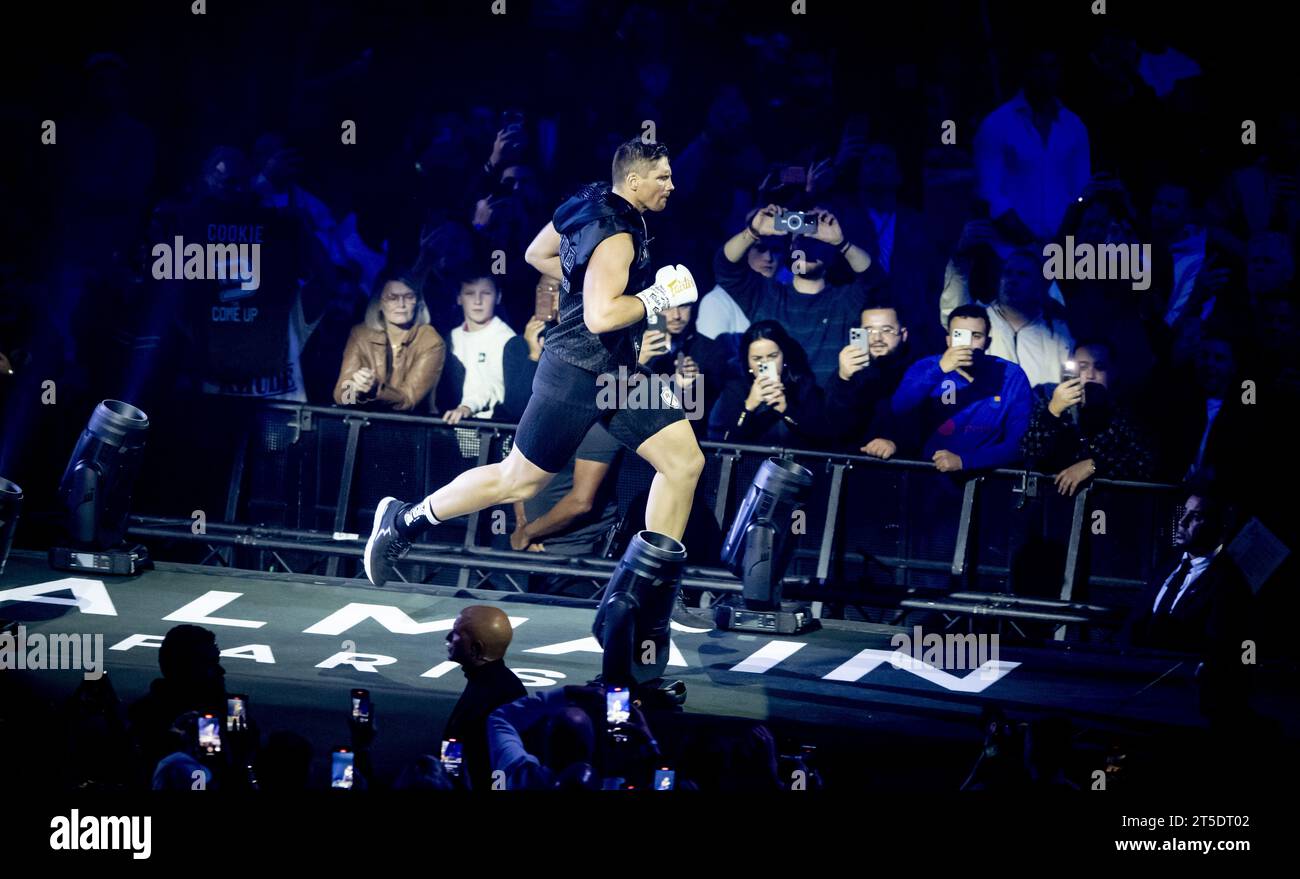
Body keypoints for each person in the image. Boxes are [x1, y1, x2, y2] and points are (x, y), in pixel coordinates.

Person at [363, 139, 703, 590]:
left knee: (683, 463)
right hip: (578, 373)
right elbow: (602, 317)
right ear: (635, 181)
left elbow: (535, 255)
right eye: (663, 177)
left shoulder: (588, 198)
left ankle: (650, 589)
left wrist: (585, 285)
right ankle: (404, 521)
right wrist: (660, 296)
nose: (672, 185)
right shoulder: (618, 236)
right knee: (519, 482)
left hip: (618, 373)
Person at [713, 204, 874, 385]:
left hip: (831, 407)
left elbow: (873, 278)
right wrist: (753, 232)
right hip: (780, 406)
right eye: (800, 242)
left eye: (816, 242)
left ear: (830, 252)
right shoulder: (767, 296)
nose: (806, 249)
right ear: (790, 250)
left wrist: (841, 243)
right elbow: (724, 267)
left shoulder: (844, 300)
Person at [891, 304, 1032, 472]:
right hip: (931, 474)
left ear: (988, 341)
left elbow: (1019, 443)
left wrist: (964, 461)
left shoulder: (1011, 375)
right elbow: (899, 407)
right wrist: (940, 369)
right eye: (960, 336)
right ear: (948, 340)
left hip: (987, 475)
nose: (968, 345)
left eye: (976, 336)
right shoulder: (928, 367)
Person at [1021, 339, 1154, 493]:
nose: (1090, 375)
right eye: (1083, 367)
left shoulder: (1126, 411)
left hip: (1106, 505)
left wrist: (1093, 465)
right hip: (1053, 501)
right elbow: (1030, 455)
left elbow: (1145, 462)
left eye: (1100, 367)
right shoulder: (1051, 402)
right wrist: (1052, 413)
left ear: (1112, 372)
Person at [514, 422, 622, 595]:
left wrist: (527, 534)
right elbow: (519, 474)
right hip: (533, 548)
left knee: (563, 617)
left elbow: (580, 502)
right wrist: (522, 526)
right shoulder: (543, 415)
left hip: (576, 556)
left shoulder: (597, 429)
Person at [442, 606, 527, 791]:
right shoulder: (488, 683)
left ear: (476, 648)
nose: (448, 638)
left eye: (456, 634)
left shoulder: (500, 695)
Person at [333, 275, 445, 411]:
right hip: (367, 422)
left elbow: (409, 400)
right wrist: (354, 389)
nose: (401, 304)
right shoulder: (360, 334)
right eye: (392, 297)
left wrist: (376, 390)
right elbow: (342, 397)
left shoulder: (431, 341)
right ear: (379, 302)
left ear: (418, 302)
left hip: (412, 426)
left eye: (409, 297)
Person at [708, 320, 827, 447]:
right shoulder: (735, 389)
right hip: (750, 463)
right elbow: (726, 442)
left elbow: (820, 439)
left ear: (784, 356)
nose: (765, 364)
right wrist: (749, 407)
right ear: (747, 362)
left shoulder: (803, 385)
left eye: (773, 356)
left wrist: (786, 410)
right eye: (757, 359)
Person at [823, 298, 918, 456]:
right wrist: (843, 379)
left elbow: (928, 425)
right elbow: (834, 427)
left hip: (903, 470)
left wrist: (896, 443)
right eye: (868, 330)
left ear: (903, 334)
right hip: (852, 467)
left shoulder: (920, 372)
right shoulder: (847, 372)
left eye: (886, 330)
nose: (877, 338)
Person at [436, 273, 522, 424]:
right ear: (459, 298)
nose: (477, 301)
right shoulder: (450, 337)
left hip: (487, 427)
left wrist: (468, 406)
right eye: (469, 293)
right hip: (450, 423)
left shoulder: (506, 339)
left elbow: (494, 385)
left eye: (486, 293)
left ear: (498, 297)